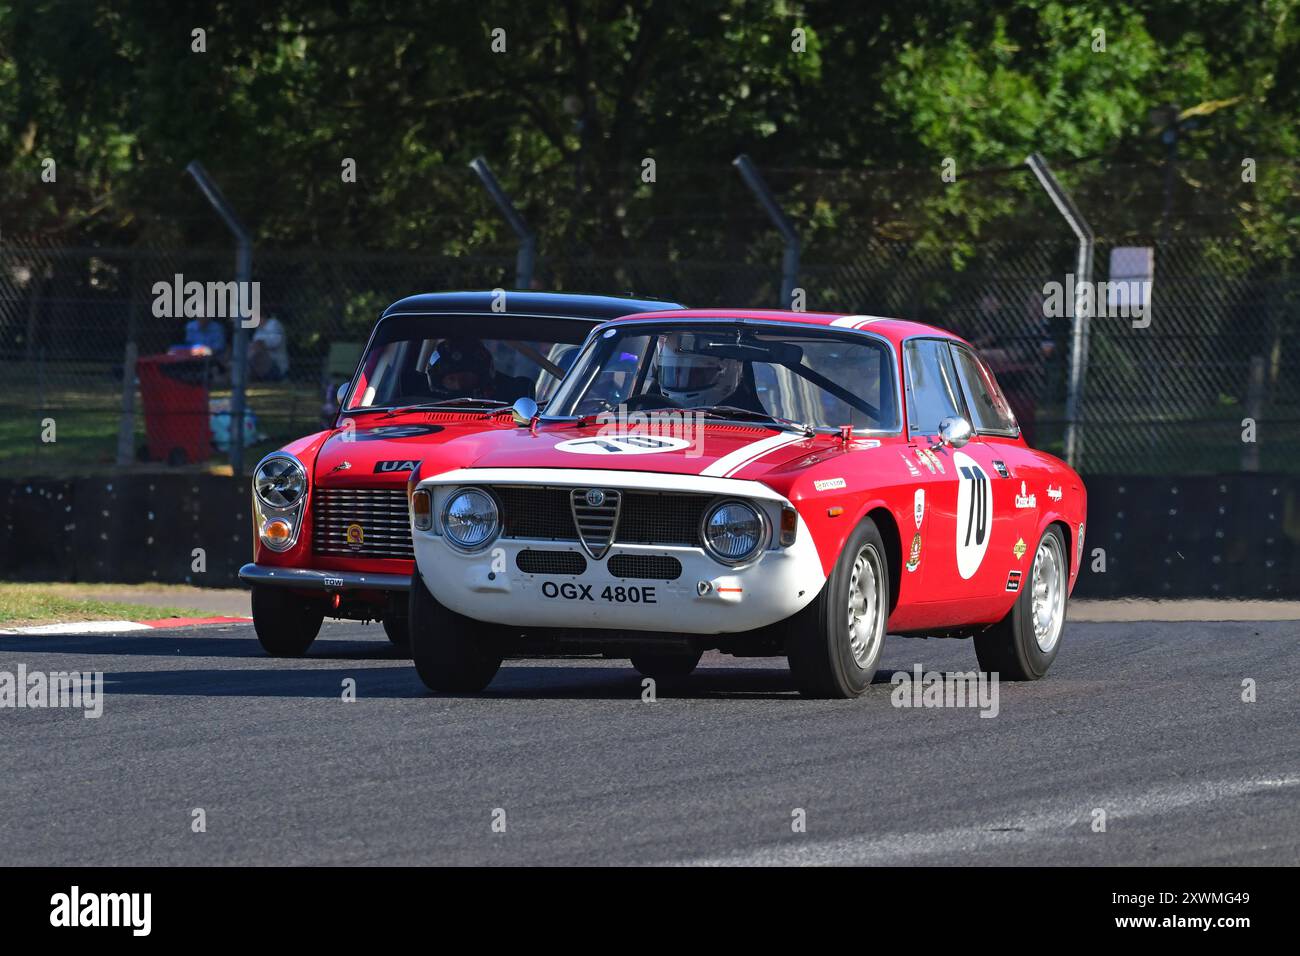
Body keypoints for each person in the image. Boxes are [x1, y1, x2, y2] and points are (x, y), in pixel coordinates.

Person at [656, 332, 764, 411]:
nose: (680, 380)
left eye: (695, 375)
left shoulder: (750, 416)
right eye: (672, 373)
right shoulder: (652, 408)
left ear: (725, 371)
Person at [249, 312, 290, 381]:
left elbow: (275, 342)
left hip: (276, 365)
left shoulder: (274, 324)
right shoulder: (258, 330)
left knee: (256, 351)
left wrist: (259, 344)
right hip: (260, 366)